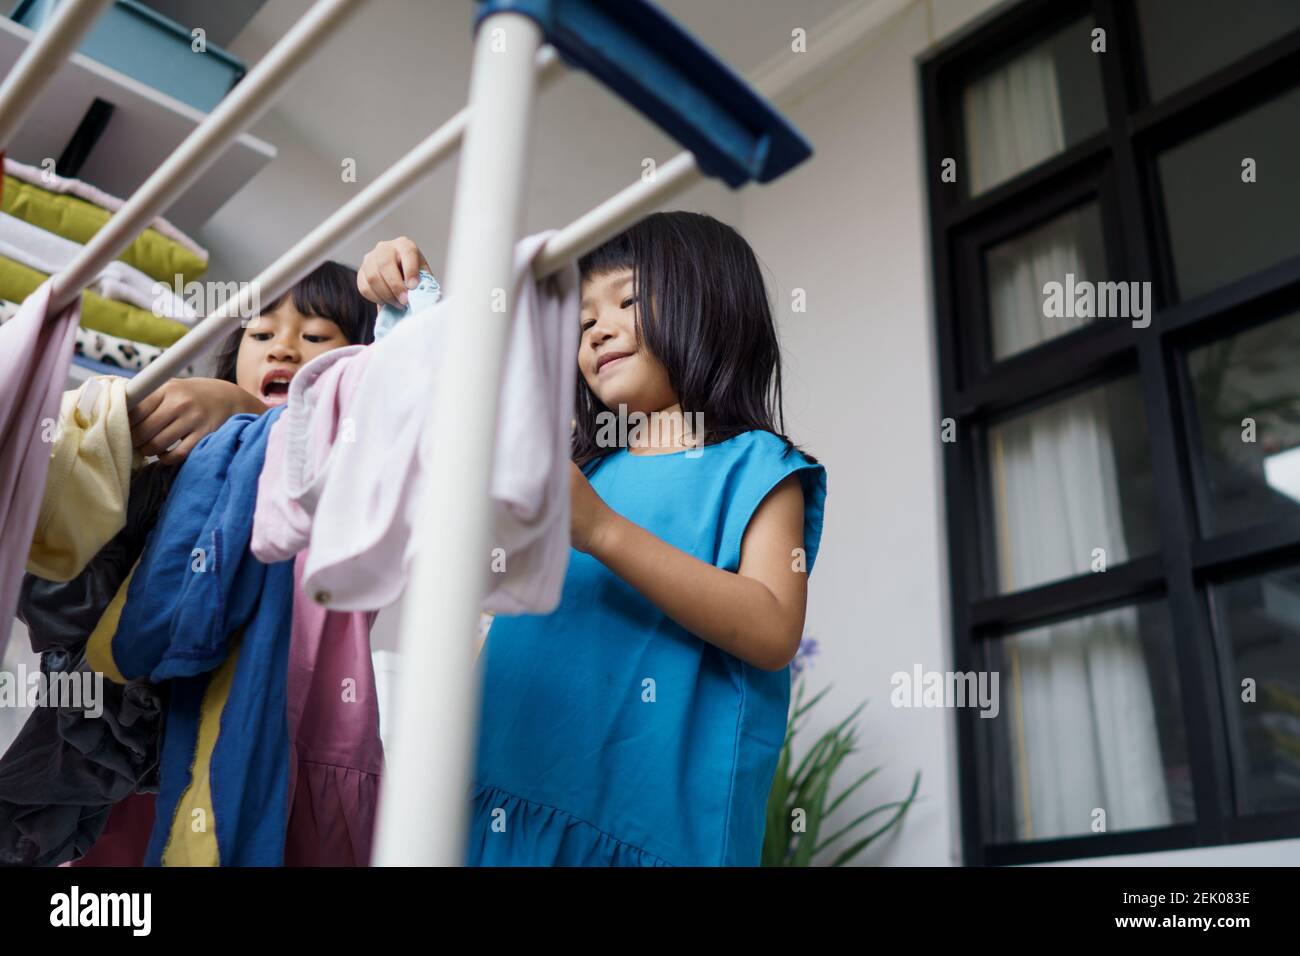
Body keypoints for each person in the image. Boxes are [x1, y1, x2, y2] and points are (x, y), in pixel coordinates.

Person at [356, 212, 828, 866]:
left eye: (627, 300)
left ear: (714, 308)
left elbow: (774, 627)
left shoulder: (757, 466)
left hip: (643, 830)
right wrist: (419, 302)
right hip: (497, 802)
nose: (597, 328)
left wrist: (601, 529)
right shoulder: (582, 468)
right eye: (582, 322)